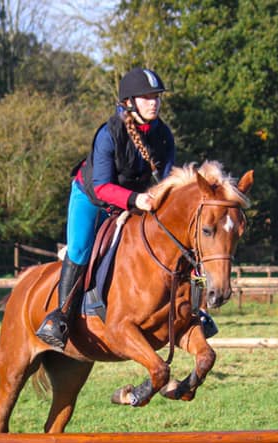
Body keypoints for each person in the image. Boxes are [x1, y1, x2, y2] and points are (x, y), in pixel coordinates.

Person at [35, 68, 176, 350]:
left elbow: (168, 180)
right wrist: (136, 200)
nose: (154, 103)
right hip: (92, 197)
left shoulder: (163, 135)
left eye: (157, 97)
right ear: (129, 102)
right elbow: (102, 187)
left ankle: (192, 308)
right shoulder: (109, 134)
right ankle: (61, 318)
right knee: (80, 249)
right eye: (146, 97)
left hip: (135, 200)